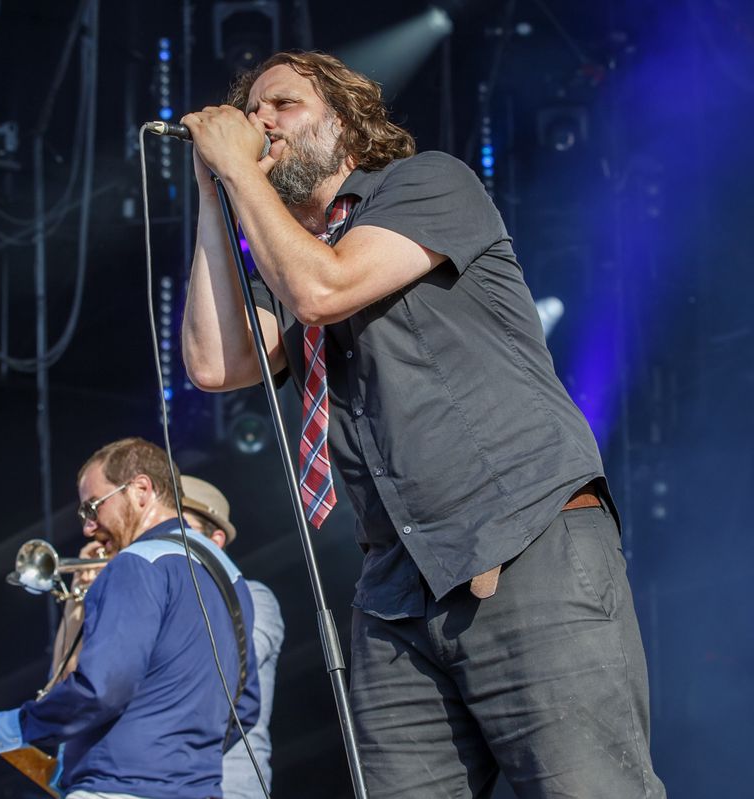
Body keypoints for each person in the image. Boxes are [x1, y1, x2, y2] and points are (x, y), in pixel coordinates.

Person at [179, 51, 664, 798]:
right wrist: (217, 193)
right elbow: (213, 363)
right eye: (249, 114)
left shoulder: (426, 184)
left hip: (524, 541)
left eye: (282, 105)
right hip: (397, 589)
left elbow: (324, 289)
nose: (259, 123)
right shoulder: (290, 256)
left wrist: (241, 173)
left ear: (345, 126)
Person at [0, 438, 260, 799]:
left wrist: (0, 729)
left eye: (92, 508)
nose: (88, 528)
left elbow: (103, 687)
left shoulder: (137, 563)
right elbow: (245, 709)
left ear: (141, 489)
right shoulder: (232, 579)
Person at [46, 475, 284, 799]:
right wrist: (81, 605)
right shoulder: (134, 594)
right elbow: (66, 693)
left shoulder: (252, 598)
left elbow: (199, 679)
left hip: (224, 787)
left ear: (214, 540)